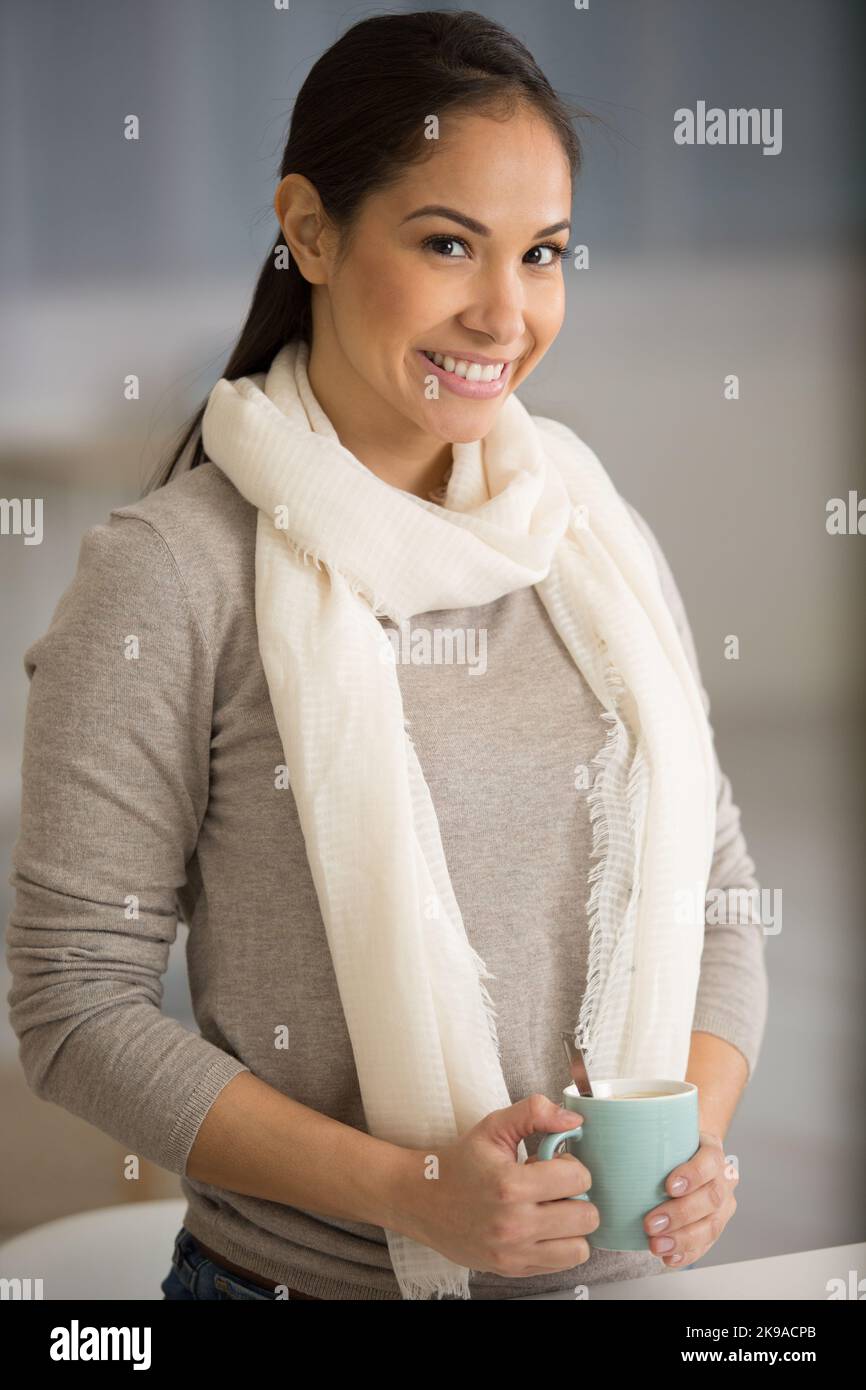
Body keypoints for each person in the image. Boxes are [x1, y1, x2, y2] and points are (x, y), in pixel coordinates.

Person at [6, 11, 767, 1302]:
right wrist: (414, 1195)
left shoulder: (588, 530)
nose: (504, 310)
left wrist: (686, 1126)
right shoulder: (175, 571)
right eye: (445, 244)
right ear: (307, 227)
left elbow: (720, 896)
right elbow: (75, 1007)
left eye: (542, 254)